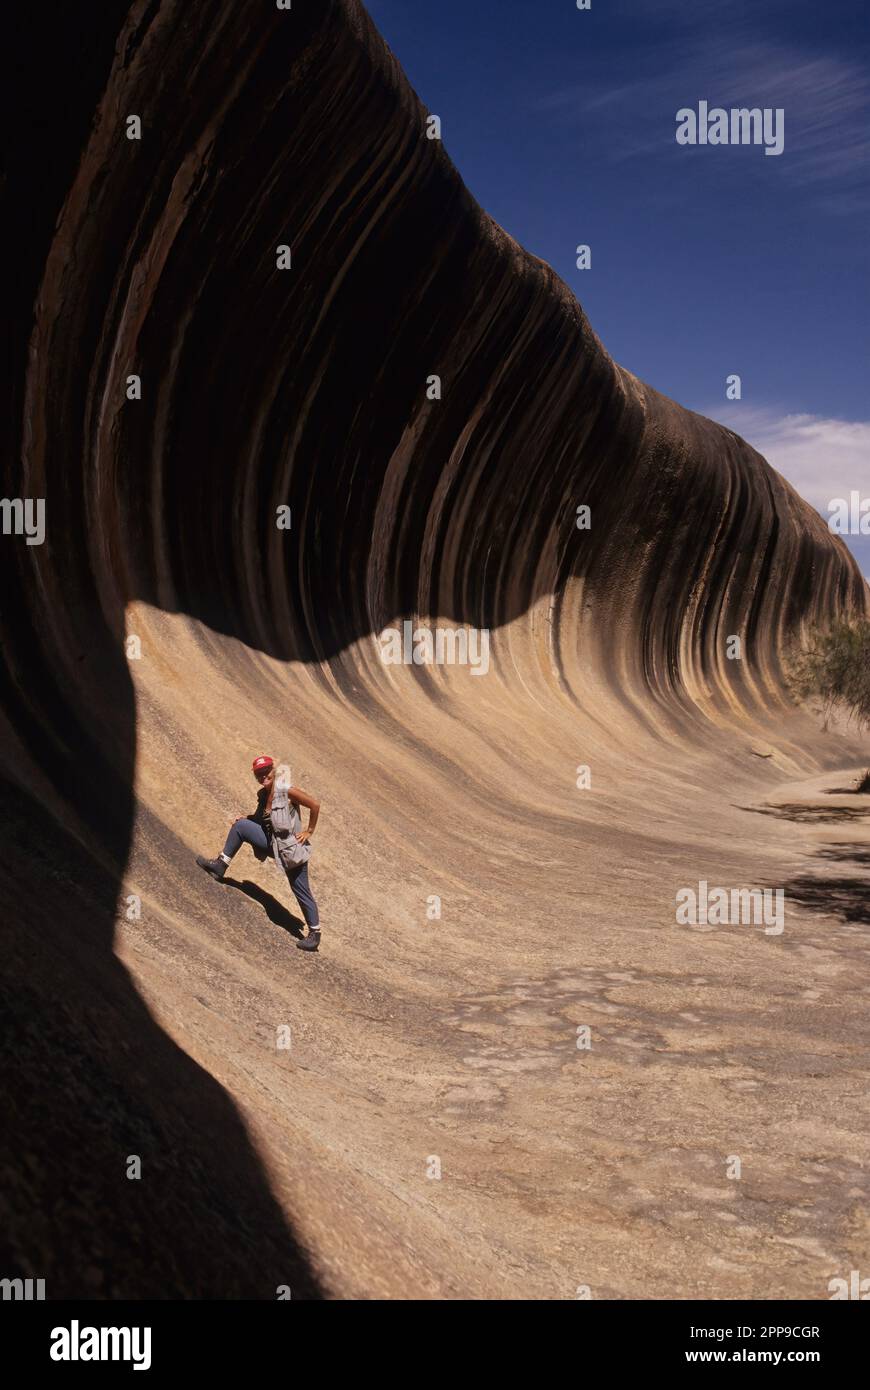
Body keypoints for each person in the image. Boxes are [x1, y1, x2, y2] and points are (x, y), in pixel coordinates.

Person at [196, 755, 323, 952]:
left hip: (290, 850)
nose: (263, 776)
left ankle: (314, 934)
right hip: (272, 844)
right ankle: (221, 864)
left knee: (300, 890)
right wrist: (245, 819)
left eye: (266, 771)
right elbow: (258, 820)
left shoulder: (286, 790)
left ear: (274, 770)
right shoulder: (263, 795)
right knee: (241, 826)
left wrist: (309, 831)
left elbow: (314, 805)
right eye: (259, 774)